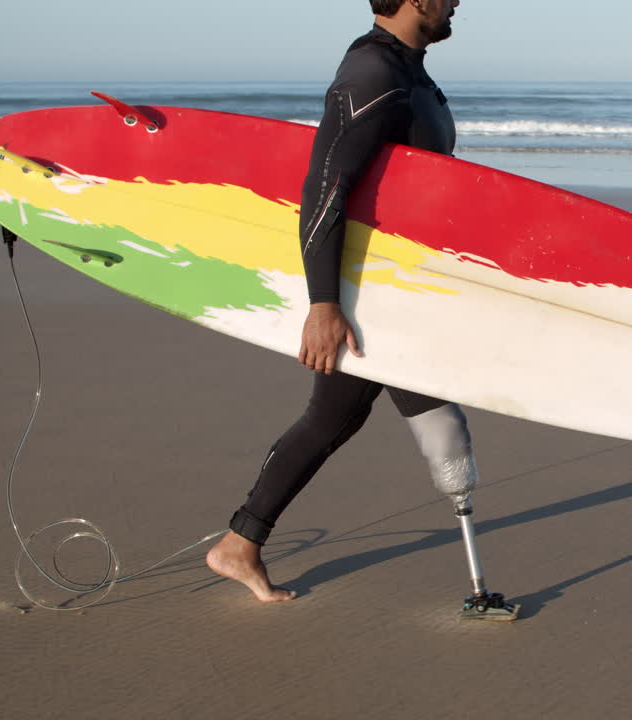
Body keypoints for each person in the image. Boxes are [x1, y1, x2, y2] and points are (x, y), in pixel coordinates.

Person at [207, 0, 511, 618]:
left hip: (399, 286)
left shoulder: (408, 69)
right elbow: (323, 189)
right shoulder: (371, 74)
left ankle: (240, 543)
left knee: (338, 417)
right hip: (369, 291)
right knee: (424, 426)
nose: (459, 3)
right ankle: (479, 590)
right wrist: (324, 302)